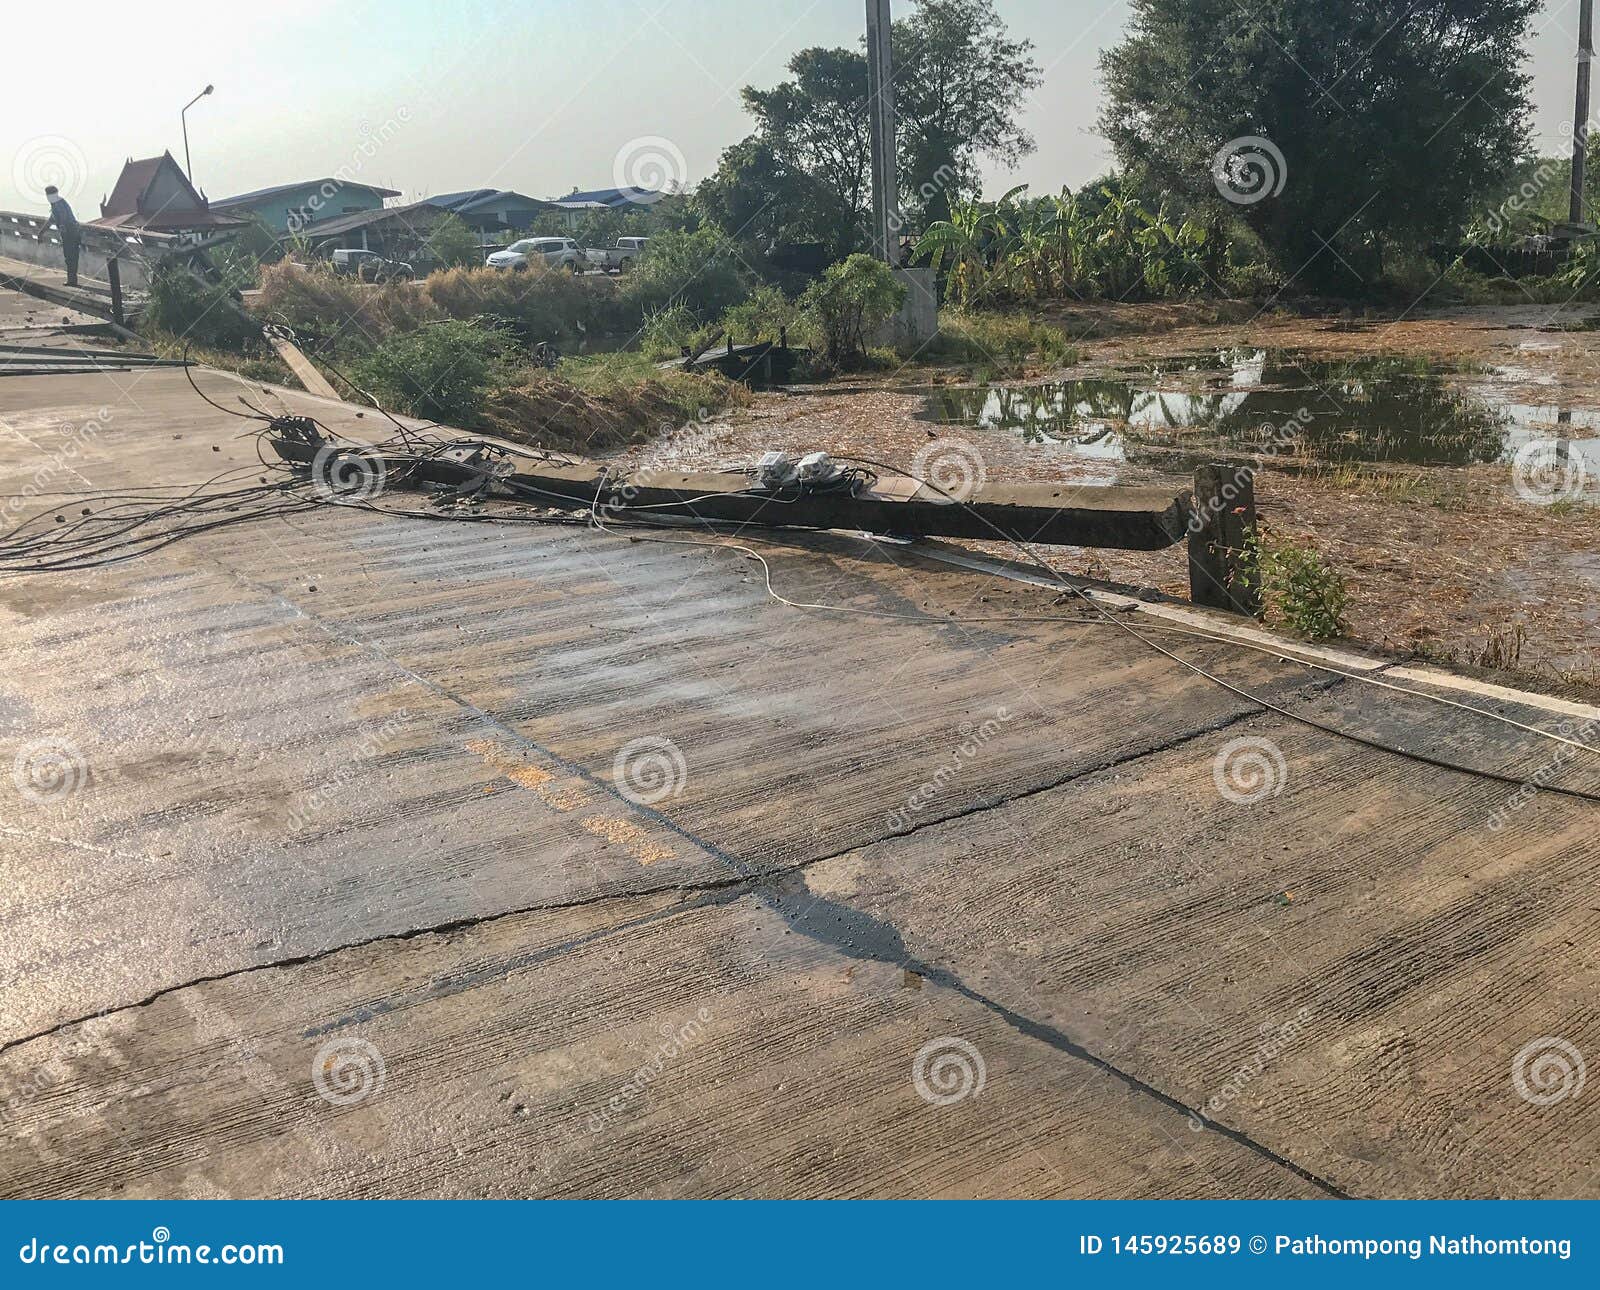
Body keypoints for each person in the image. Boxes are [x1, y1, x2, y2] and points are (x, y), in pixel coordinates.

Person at [38, 185, 82, 287]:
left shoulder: (58, 203)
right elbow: (51, 220)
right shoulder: (56, 203)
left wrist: (62, 227)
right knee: (70, 257)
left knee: (71, 257)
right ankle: (72, 279)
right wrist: (41, 232)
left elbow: (63, 216)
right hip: (70, 233)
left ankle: (72, 281)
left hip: (71, 233)